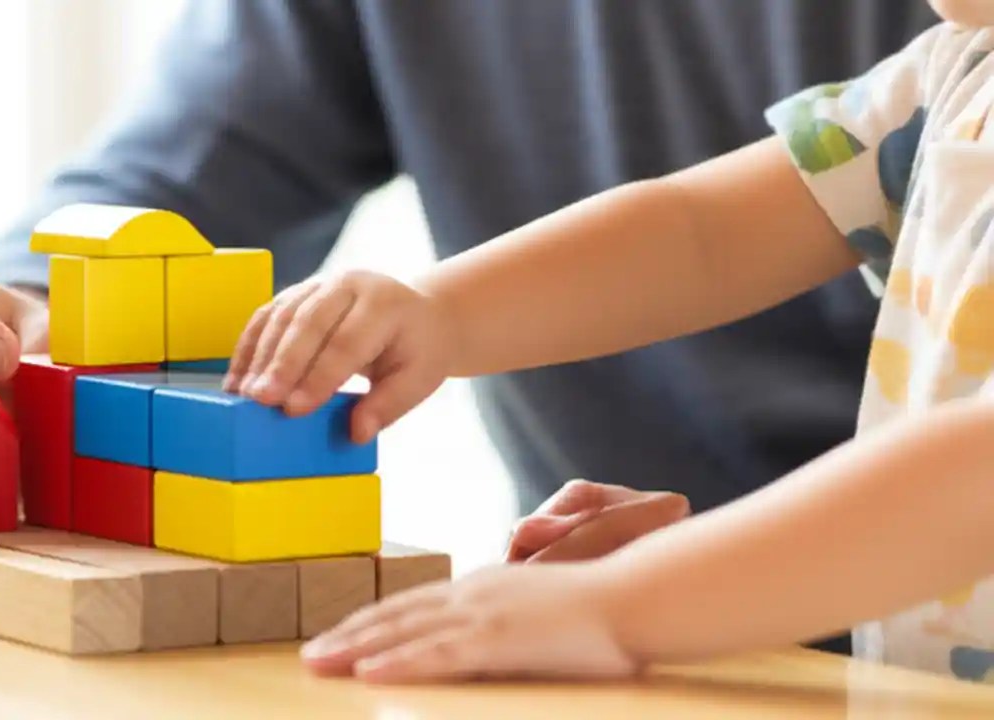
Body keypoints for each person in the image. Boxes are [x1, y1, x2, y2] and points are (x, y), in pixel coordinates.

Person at [0, 2, 936, 652]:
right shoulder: (933, 83)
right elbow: (697, 227)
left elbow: (961, 484)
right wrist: (13, 342)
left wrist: (653, 599)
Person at [230, 0, 994, 685]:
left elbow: (976, 479)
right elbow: (700, 236)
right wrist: (441, 313)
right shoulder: (950, 75)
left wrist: (622, 604)